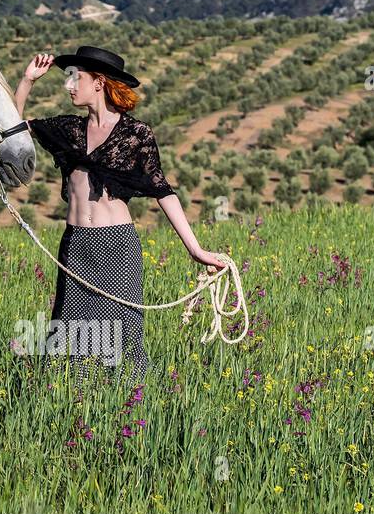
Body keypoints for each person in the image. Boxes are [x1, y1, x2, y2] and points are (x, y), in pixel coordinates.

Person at [14, 46, 228, 390]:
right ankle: (76, 404)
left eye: (76, 78)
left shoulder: (136, 134)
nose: (69, 85)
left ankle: (129, 407)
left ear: (99, 83)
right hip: (75, 245)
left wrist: (196, 250)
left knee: (123, 334)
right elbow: (11, 127)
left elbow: (162, 190)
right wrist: (27, 81)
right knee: (71, 332)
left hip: (117, 247)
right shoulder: (67, 129)